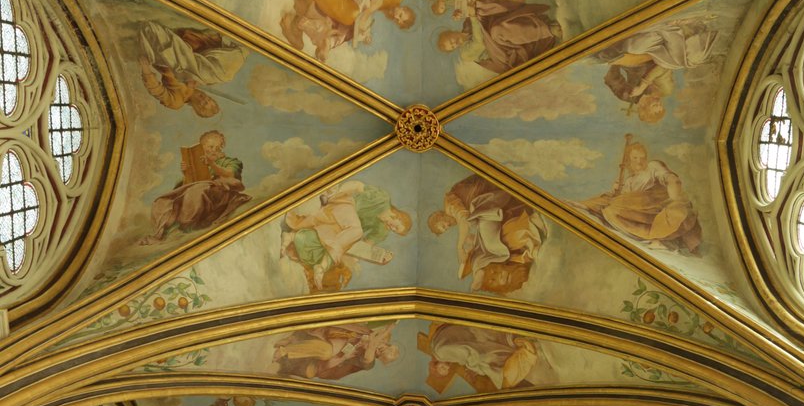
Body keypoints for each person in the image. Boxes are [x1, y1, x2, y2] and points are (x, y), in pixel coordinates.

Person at [578, 136, 702, 253]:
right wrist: (616, 191)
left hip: (657, 208)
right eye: (635, 158)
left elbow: (668, 177)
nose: (639, 161)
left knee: (615, 205)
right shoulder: (630, 181)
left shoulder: (652, 167)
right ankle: (586, 206)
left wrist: (672, 184)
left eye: (642, 158)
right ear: (629, 160)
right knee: (611, 204)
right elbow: (624, 200)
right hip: (639, 215)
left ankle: (661, 239)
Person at [282, 181, 412, 292]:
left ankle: (293, 237)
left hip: (341, 226)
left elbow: (364, 247)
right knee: (356, 231)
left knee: (333, 243)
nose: (392, 229)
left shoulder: (382, 231)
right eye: (396, 227)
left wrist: (378, 257)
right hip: (343, 205)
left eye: (395, 231)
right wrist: (334, 194)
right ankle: (322, 265)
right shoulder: (382, 199)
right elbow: (356, 185)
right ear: (398, 217)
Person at [428, 173, 545, 293]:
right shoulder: (453, 211)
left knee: (487, 236)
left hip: (490, 196)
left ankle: (480, 269)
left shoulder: (450, 206)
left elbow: (464, 220)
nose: (447, 226)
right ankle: (479, 270)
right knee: (478, 249)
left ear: (439, 216)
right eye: (445, 229)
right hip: (486, 205)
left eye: (443, 225)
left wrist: (460, 248)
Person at [280, 0, 415, 62]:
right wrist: (362, 20)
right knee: (352, 16)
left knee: (351, 27)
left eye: (398, 21)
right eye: (400, 15)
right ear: (404, 8)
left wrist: (364, 33)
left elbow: (369, 9)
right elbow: (377, 0)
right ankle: (311, 26)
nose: (396, 17)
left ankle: (327, 41)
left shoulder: (387, 7)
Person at [597, 17, 718, 123]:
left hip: (641, 57)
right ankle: (676, 27)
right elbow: (664, 67)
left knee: (632, 47)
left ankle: (667, 29)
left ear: (643, 106)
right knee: (687, 60)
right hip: (662, 52)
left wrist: (617, 61)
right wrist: (643, 84)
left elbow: (610, 80)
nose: (659, 102)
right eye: (660, 105)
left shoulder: (628, 96)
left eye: (655, 105)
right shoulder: (666, 90)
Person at [144, 130, 250, 241]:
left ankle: (188, 224)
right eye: (210, 147)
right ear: (202, 148)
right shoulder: (199, 164)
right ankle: (164, 228)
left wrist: (211, 164)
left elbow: (229, 174)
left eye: (218, 147)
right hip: (200, 189)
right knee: (163, 201)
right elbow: (187, 186)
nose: (214, 150)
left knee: (196, 191)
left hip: (220, 192)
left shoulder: (230, 161)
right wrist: (186, 172)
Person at [139, 22, 245, 117]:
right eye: (209, 99)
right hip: (188, 56)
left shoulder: (177, 101)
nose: (204, 98)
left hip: (167, 60)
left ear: (196, 109)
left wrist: (146, 70)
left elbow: (156, 90)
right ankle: (237, 49)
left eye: (204, 104)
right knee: (224, 75)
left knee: (222, 76)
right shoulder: (197, 84)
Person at [437, 0, 562, 74]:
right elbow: (480, 43)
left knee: (490, 19)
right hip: (502, 55)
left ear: (451, 32)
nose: (455, 43)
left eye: (451, 40)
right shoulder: (465, 54)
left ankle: (538, 24)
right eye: (452, 47)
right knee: (497, 32)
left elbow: (477, 14)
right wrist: (473, 16)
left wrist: (463, 11)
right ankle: (548, 30)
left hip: (499, 39)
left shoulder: (466, 25)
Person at [418, 323, 553, 393]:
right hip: (477, 339)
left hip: (478, 340)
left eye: (442, 368)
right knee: (498, 372)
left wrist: (474, 367)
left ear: (435, 365)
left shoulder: (441, 352)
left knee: (497, 371)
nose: (447, 368)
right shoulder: (441, 350)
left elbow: (470, 352)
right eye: (446, 371)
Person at [271, 324, 400, 380]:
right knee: (326, 351)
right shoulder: (363, 333)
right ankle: (285, 349)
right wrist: (380, 334)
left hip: (318, 363)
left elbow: (328, 367)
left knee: (309, 372)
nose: (376, 349)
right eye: (382, 347)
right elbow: (334, 327)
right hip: (317, 339)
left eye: (378, 353)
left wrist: (343, 357)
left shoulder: (365, 362)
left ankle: (291, 343)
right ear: (385, 342)